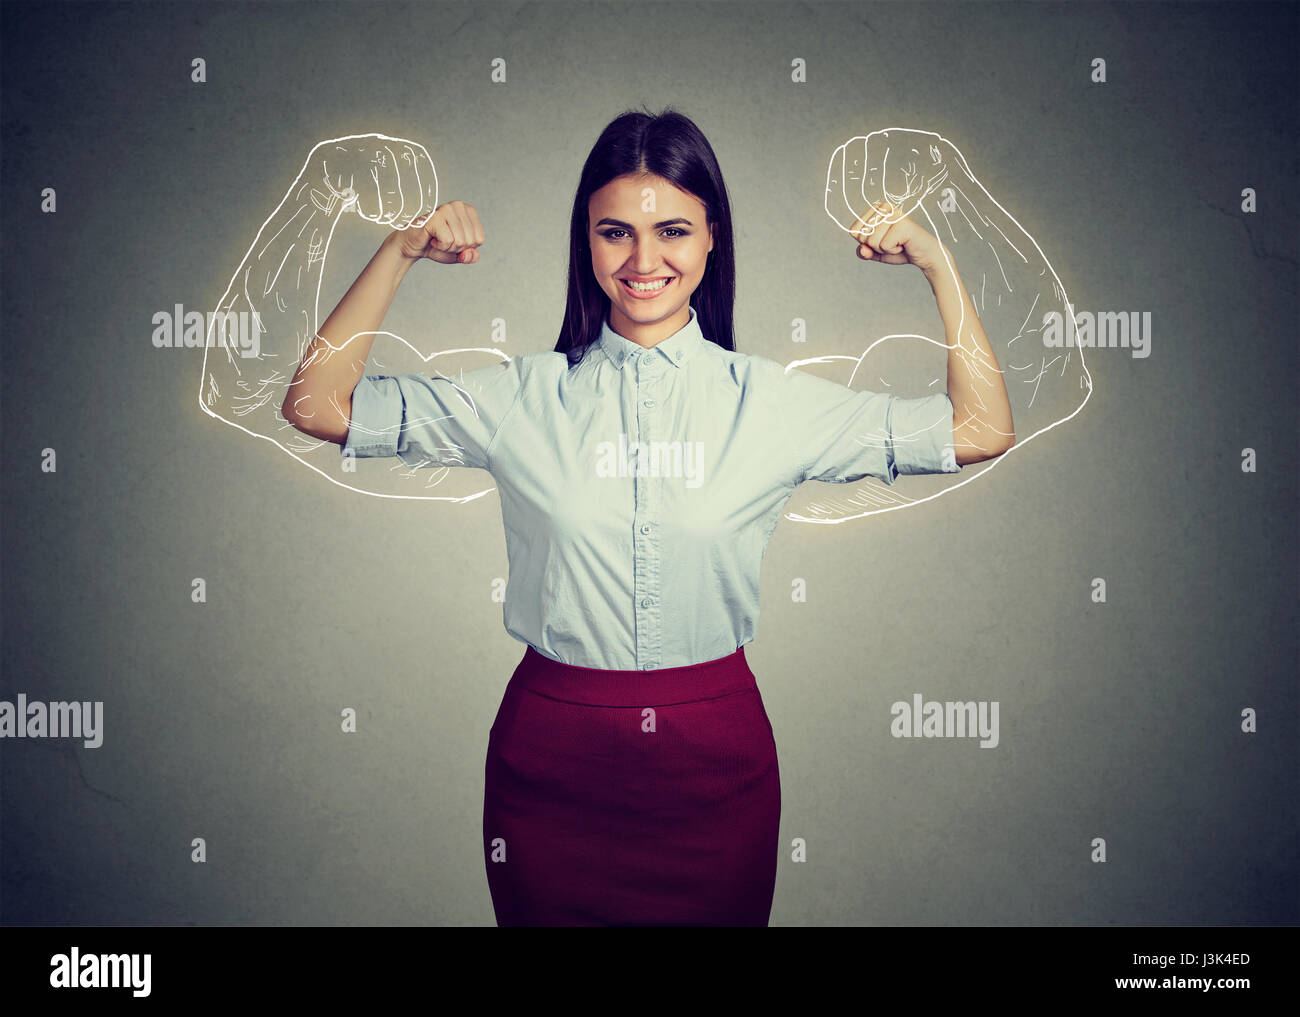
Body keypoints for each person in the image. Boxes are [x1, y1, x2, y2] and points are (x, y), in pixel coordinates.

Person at [280, 107, 1015, 926]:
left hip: (716, 770)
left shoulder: (771, 403)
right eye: (614, 232)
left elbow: (979, 429)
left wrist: (939, 266)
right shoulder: (519, 398)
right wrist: (399, 252)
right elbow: (315, 403)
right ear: (585, 243)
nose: (643, 259)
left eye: (672, 230)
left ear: (711, 240)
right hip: (549, 768)